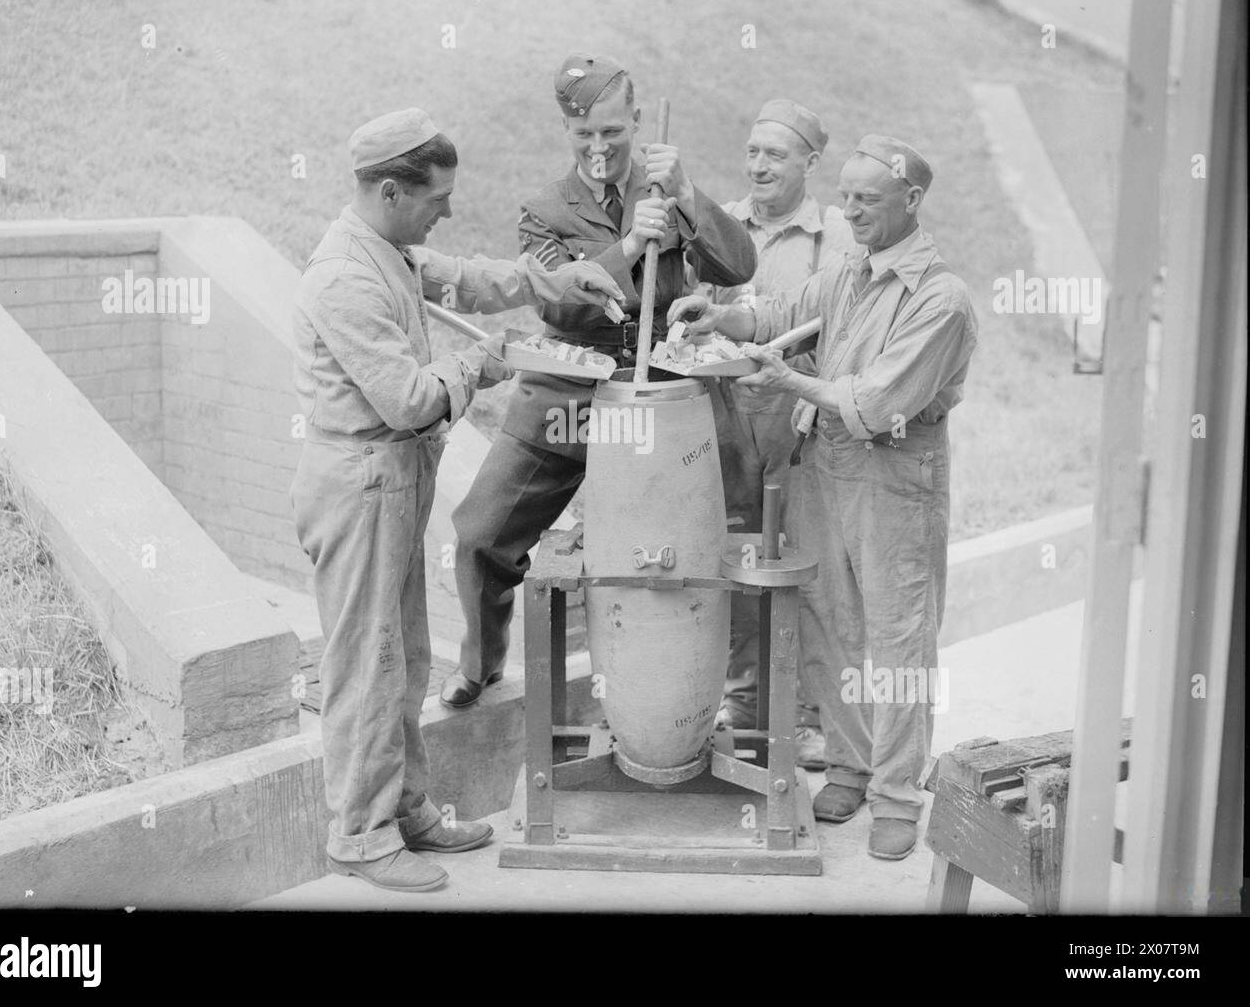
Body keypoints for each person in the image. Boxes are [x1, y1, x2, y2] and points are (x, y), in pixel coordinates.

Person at [290, 108, 626, 892]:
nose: (447, 209)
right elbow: (409, 398)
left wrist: (554, 279)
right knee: (366, 666)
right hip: (359, 487)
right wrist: (486, 359)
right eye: (436, 196)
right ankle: (360, 836)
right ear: (389, 189)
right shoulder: (344, 275)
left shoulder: (390, 246)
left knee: (403, 659)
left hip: (393, 484)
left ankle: (404, 807)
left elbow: (470, 278)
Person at [668, 135, 978, 861]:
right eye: (846, 197)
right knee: (830, 622)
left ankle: (898, 797)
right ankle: (849, 763)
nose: (851, 210)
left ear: (913, 201)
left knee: (897, 636)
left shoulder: (942, 298)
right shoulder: (847, 269)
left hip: (896, 470)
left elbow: (875, 401)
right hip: (826, 465)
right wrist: (725, 320)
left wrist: (788, 383)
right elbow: (779, 313)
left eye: (867, 199)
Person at [441, 53, 756, 708]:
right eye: (583, 135)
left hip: (663, 389)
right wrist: (630, 250)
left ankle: (724, 688)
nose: (598, 148)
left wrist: (689, 193)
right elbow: (557, 306)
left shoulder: (669, 188)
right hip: (570, 391)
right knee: (480, 530)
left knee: (737, 516)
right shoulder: (544, 208)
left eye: (612, 133)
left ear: (636, 122)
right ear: (566, 130)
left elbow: (738, 263)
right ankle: (482, 662)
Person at [697, 99, 857, 770]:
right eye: (753, 150)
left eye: (776, 154)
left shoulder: (839, 235)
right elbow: (698, 319)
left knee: (808, 568)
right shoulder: (720, 227)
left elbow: (842, 331)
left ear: (810, 164)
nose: (758, 164)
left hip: (798, 424)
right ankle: (745, 705)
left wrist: (798, 388)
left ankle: (816, 716)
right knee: (734, 561)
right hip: (724, 419)